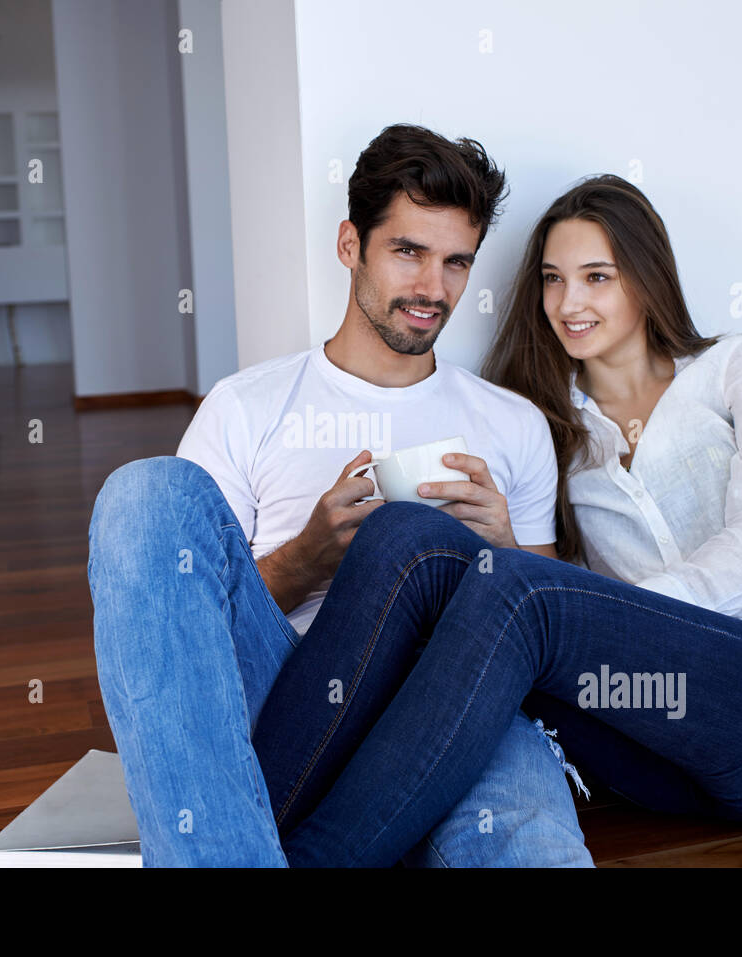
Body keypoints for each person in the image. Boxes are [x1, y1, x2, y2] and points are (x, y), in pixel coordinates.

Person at [251, 174, 742, 867]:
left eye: (596, 277)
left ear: (646, 279)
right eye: (554, 279)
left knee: (519, 593)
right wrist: (505, 546)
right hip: (669, 757)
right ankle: (245, 831)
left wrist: (629, 616)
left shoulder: (733, 366)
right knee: (407, 535)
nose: (569, 302)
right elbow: (563, 615)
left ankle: (312, 859)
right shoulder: (545, 423)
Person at [87, 124, 593, 867]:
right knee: (143, 493)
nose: (432, 289)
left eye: (457, 262)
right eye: (408, 252)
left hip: (450, 695)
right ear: (350, 245)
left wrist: (507, 552)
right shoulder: (246, 405)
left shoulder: (512, 424)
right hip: (282, 695)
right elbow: (183, 626)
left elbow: (556, 642)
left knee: (528, 839)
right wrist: (305, 561)